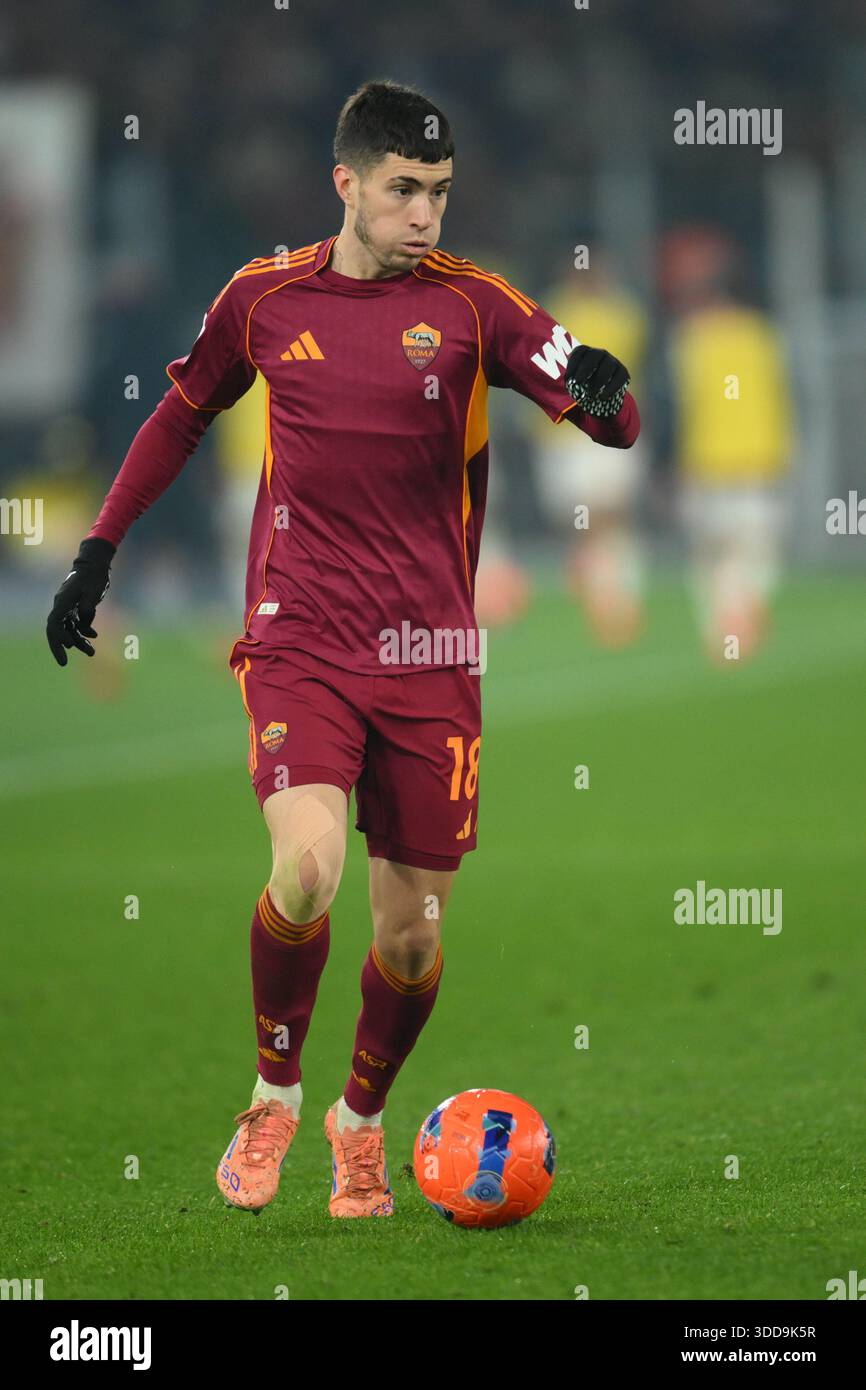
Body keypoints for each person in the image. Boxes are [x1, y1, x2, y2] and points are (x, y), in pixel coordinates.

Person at [45, 79, 639, 1219]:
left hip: (430, 657)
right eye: (404, 191)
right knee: (305, 868)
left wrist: (608, 395)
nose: (425, 214)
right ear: (347, 185)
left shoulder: (479, 309)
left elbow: (607, 414)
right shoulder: (262, 299)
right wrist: (97, 550)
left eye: (440, 193)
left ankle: (357, 1121)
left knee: (411, 942)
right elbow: (180, 413)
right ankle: (272, 1094)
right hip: (300, 639)